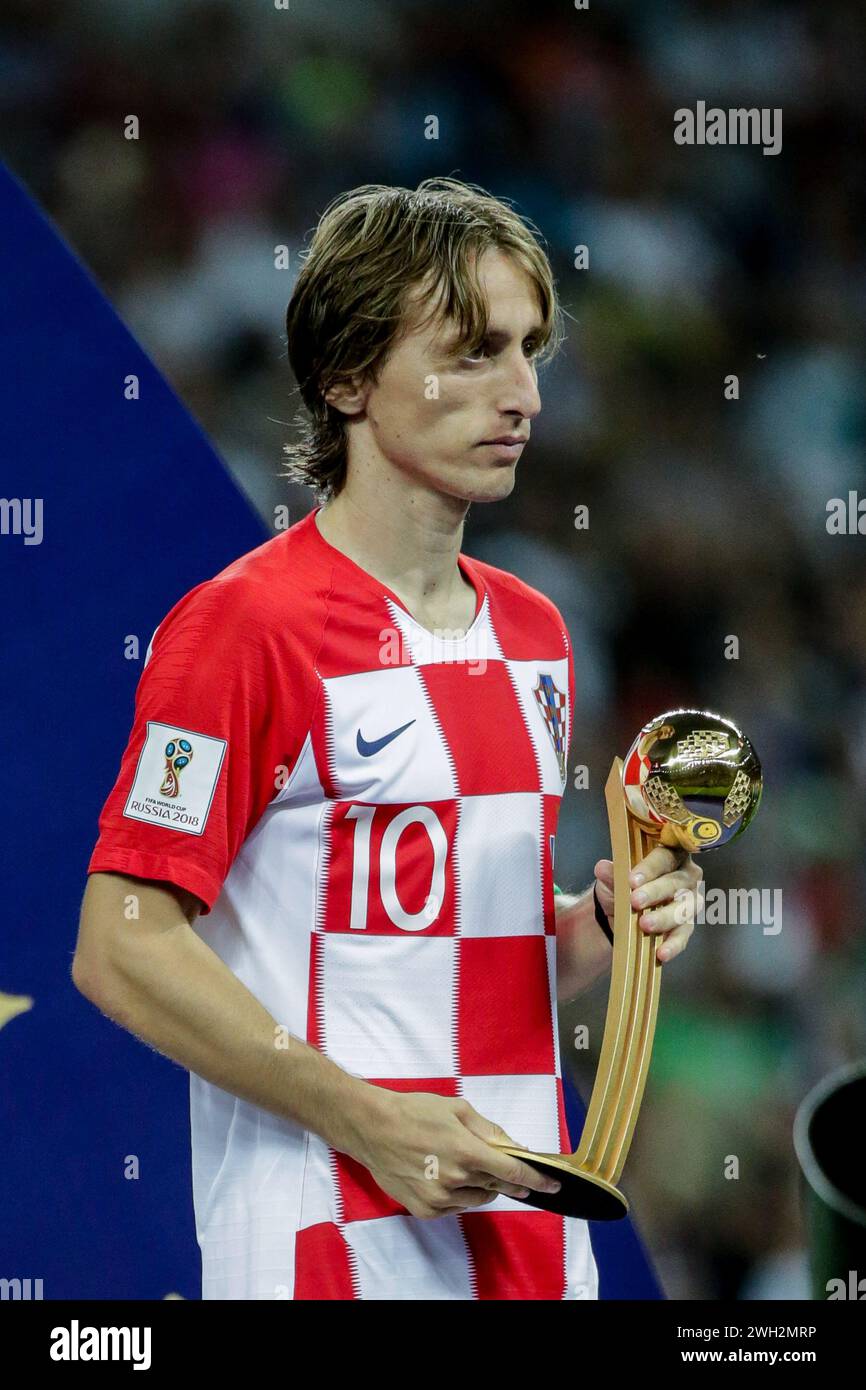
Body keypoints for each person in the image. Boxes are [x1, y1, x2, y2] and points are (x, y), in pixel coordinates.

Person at [74, 176, 700, 1300]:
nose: (521, 396)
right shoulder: (244, 627)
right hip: (322, 1240)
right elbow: (119, 944)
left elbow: (459, 968)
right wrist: (364, 1119)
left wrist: (609, 922)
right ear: (346, 376)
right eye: (469, 352)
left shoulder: (536, 632)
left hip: (527, 1231)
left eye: (527, 352)